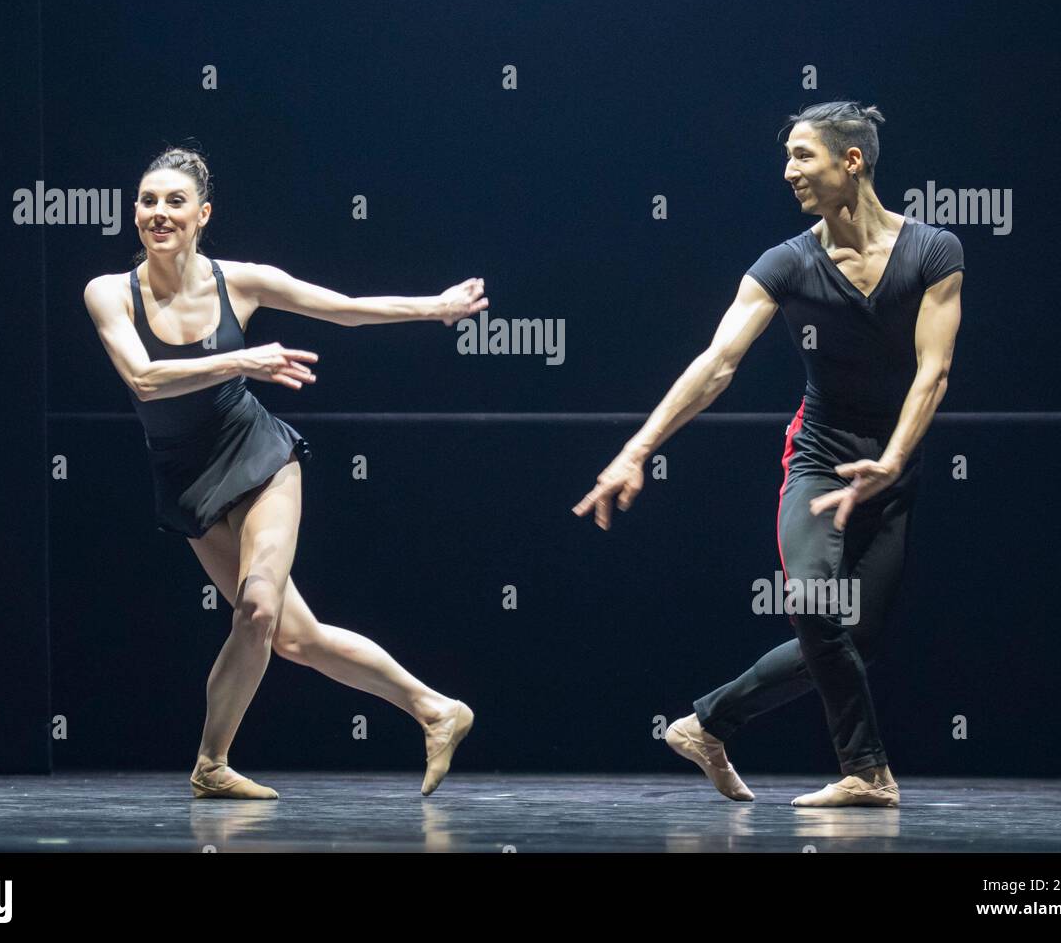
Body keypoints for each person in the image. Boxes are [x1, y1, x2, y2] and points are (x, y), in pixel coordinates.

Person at [573, 102, 963, 807]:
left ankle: (708, 723)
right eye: (786, 158)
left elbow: (932, 373)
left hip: (892, 469)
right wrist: (638, 449)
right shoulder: (787, 263)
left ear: (851, 161)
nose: (788, 172)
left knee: (853, 641)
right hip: (817, 459)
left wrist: (894, 459)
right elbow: (718, 361)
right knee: (818, 608)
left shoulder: (934, 251)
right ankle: (868, 771)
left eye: (802, 156)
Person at [83, 146, 486, 799]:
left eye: (174, 202)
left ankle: (209, 763)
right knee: (293, 637)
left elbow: (344, 307)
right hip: (186, 479)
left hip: (257, 454)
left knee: (259, 604)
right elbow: (144, 378)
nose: (159, 213)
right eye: (148, 201)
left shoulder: (239, 281)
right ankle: (437, 710)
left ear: (202, 214)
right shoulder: (108, 292)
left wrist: (433, 306)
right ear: (134, 212)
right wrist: (242, 361)